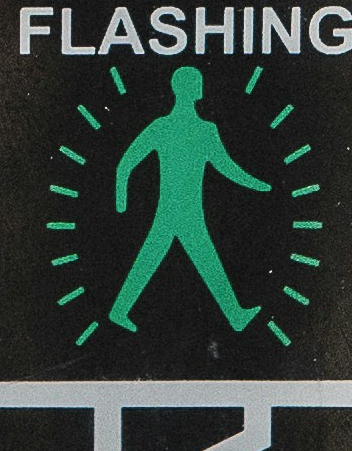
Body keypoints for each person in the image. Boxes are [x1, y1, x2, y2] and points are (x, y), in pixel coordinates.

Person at [107, 65, 269, 336]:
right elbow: (125, 164)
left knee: (159, 257)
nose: (201, 86)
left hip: (178, 212)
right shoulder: (192, 129)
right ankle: (235, 315)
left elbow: (125, 165)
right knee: (198, 260)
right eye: (197, 82)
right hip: (181, 213)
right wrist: (120, 203)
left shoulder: (188, 129)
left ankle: (119, 310)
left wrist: (122, 201)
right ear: (189, 89)